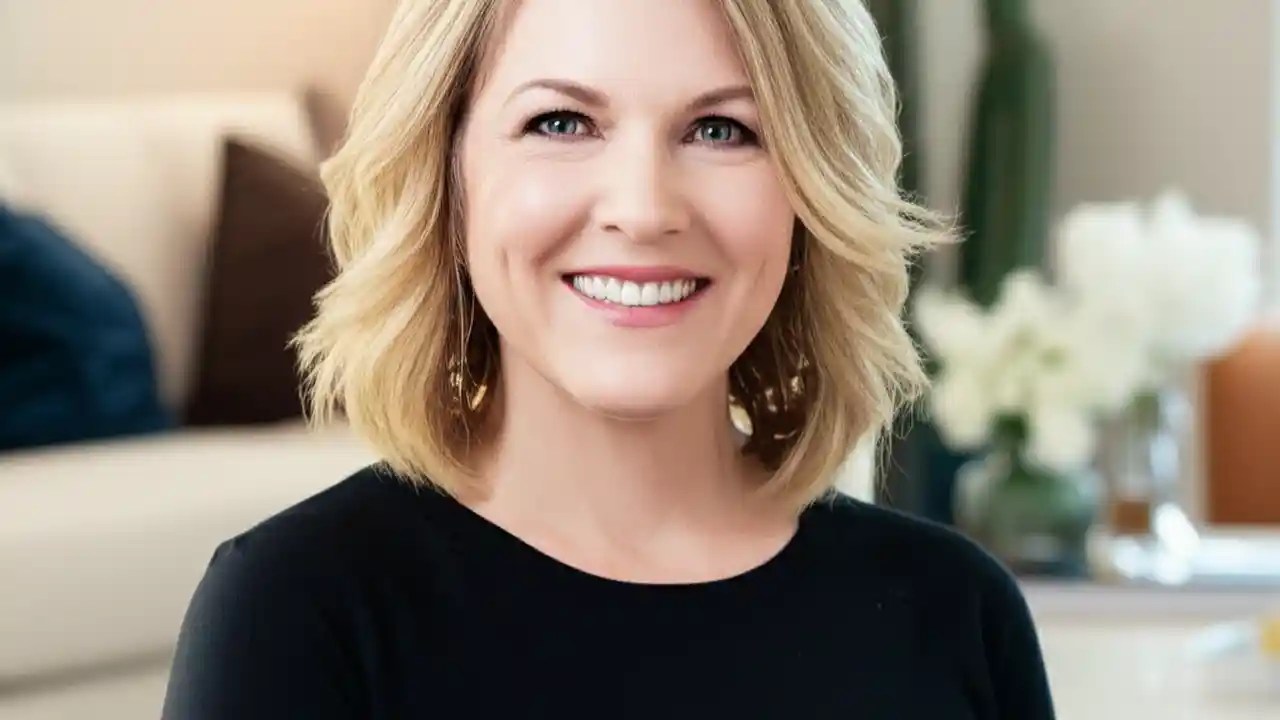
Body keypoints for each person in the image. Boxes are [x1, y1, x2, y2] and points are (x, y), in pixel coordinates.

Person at [162, 0, 1056, 717]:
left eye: (721, 131)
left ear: (809, 195)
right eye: (561, 121)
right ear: (448, 174)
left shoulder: (955, 613)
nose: (643, 207)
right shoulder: (297, 611)